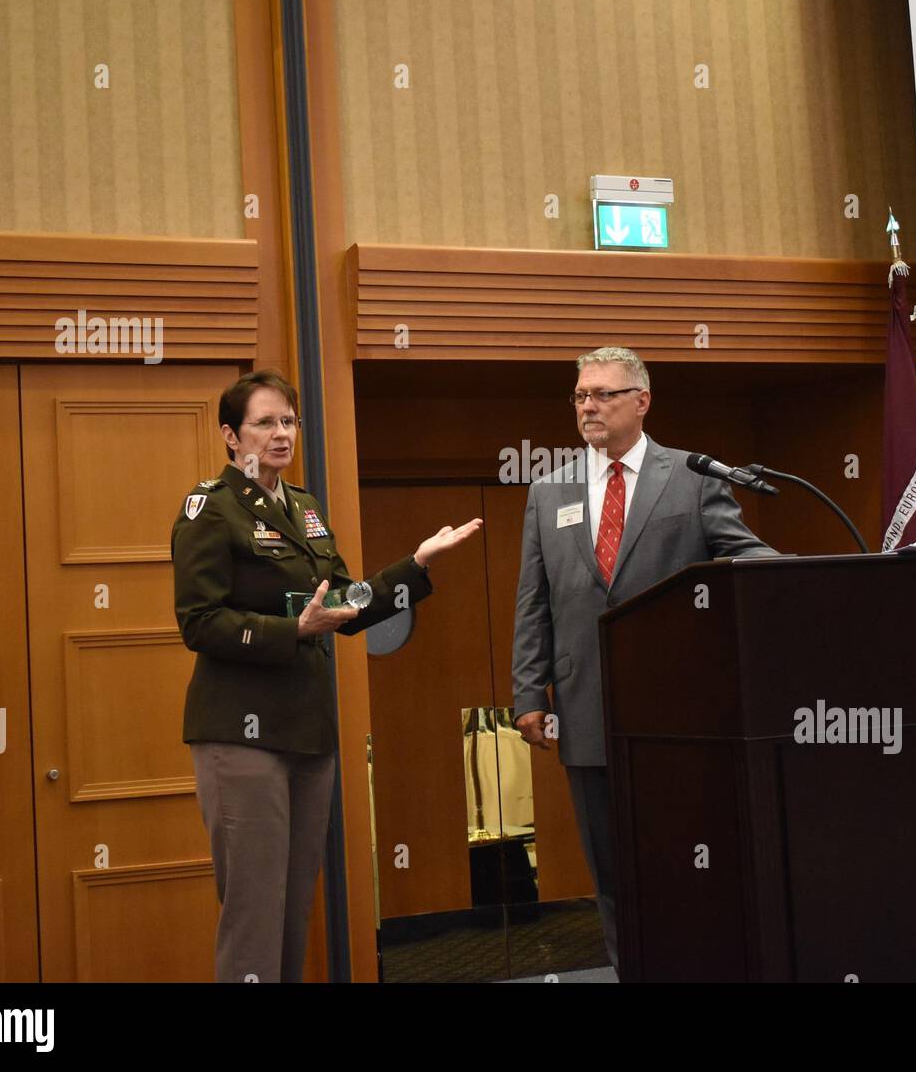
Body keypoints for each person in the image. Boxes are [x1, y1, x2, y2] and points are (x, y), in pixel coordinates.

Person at [172, 370, 482, 982]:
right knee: (254, 913)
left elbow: (345, 604)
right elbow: (199, 623)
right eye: (265, 423)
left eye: (288, 421)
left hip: (308, 733)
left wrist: (414, 566)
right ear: (232, 437)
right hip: (242, 735)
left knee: (292, 909)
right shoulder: (210, 508)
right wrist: (293, 632)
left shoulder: (305, 508)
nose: (281, 433)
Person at [511, 346, 776, 971]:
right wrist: (528, 694)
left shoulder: (693, 475)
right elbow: (534, 601)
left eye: (604, 394)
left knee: (687, 860)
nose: (589, 406)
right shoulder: (549, 491)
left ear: (641, 401)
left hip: (681, 714)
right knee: (612, 874)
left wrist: (805, 576)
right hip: (586, 709)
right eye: (581, 395)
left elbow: (745, 555)